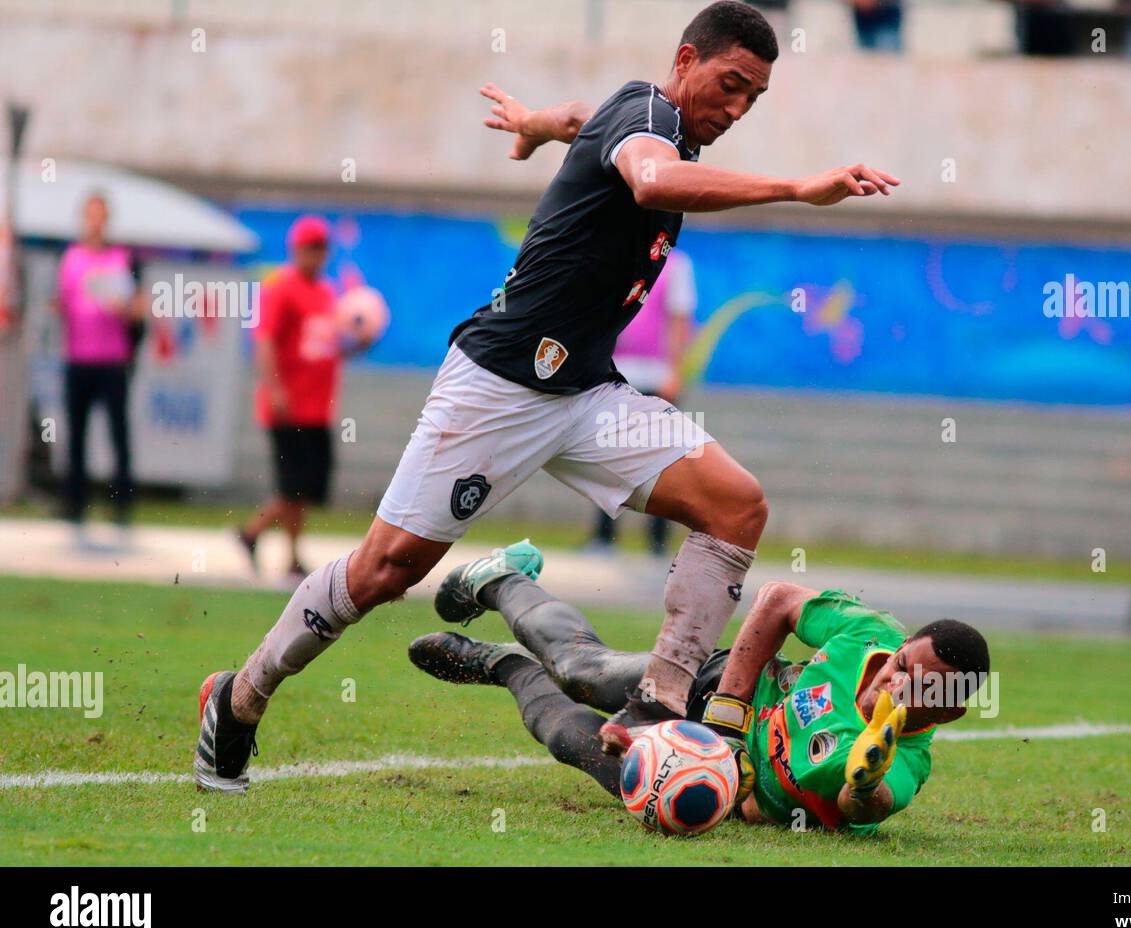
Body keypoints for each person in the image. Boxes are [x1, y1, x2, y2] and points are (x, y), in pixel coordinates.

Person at [195, 1, 901, 793]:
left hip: (585, 390)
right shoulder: (650, 117)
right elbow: (651, 175)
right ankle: (241, 694)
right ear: (685, 60)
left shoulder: (641, 119)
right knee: (386, 570)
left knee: (736, 506)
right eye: (730, 84)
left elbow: (586, 118)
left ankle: (657, 709)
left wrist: (538, 122)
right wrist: (797, 187)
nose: (737, 108)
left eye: (754, 99)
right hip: (499, 382)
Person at [410, 542, 991, 833]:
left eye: (920, 687)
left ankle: (505, 666)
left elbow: (866, 803)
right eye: (904, 663)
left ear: (949, 711)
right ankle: (502, 577)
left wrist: (865, 781)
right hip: (723, 691)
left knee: (576, 742)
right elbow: (777, 601)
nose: (897, 681)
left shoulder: (906, 763)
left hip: (716, 789)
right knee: (585, 674)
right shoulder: (867, 633)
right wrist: (730, 716)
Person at [235, 216, 350, 582]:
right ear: (295, 250)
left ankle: (258, 537)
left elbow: (325, 347)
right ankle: (275, 546)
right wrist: (274, 388)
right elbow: (264, 340)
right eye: (309, 247)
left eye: (321, 248)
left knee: (305, 487)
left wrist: (360, 343)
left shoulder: (326, 293)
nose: (316, 255)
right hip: (289, 405)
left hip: (317, 406)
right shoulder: (281, 289)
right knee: (293, 485)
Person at [586, 250, 697, 557]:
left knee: (663, 462)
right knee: (606, 457)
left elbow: (679, 321)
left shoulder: (677, 265)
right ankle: (603, 538)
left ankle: (657, 542)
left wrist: (675, 373)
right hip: (614, 372)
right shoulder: (620, 255)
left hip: (656, 376)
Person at [55, 192, 143, 533]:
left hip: (112, 360)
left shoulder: (123, 258)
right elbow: (61, 303)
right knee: (75, 434)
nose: (95, 222)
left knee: (118, 433)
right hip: (78, 358)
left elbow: (139, 307)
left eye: (100, 215)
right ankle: (74, 503)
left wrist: (126, 308)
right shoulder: (72, 257)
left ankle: (121, 504)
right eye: (90, 215)